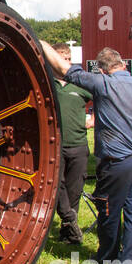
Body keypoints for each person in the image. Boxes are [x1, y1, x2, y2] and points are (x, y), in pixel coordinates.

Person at [41, 42, 132, 264]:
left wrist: (42, 43)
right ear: (122, 64)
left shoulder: (103, 84)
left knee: (109, 211)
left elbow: (65, 70)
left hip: (118, 161)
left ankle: (107, 257)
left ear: (101, 70)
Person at [51, 44, 93, 245]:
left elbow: (104, 100)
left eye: (68, 58)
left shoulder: (80, 85)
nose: (66, 62)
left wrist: (94, 120)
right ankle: (69, 219)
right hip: (55, 145)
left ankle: (68, 234)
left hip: (78, 144)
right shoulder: (48, 84)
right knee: (56, 186)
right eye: (61, 58)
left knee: (74, 189)